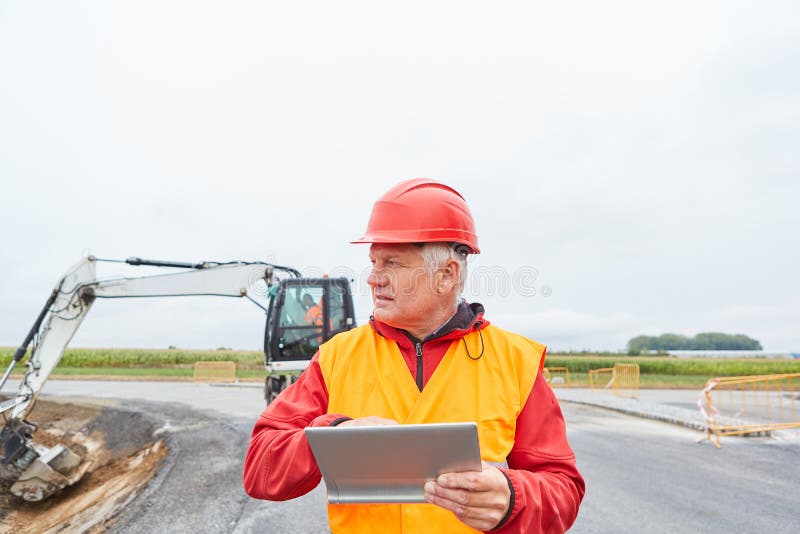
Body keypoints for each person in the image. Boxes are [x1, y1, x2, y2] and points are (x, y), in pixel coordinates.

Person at [244, 179, 585, 533]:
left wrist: (514, 498)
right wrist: (331, 436)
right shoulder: (337, 358)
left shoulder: (516, 362)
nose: (373, 279)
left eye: (391, 263)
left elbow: (563, 491)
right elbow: (260, 469)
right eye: (373, 261)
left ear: (446, 275)